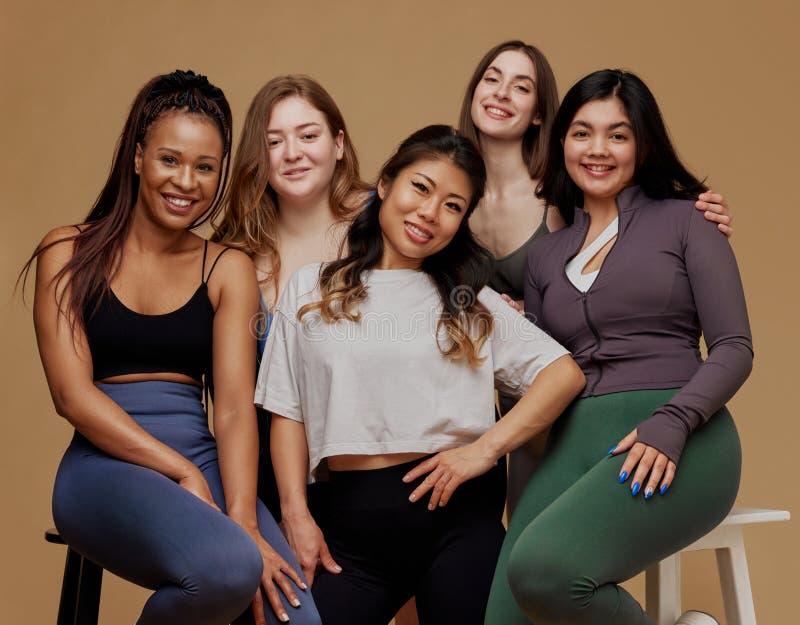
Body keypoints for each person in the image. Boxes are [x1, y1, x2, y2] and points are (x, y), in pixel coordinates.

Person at [256, 125, 586, 625]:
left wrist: (484, 450)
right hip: (349, 530)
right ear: (386, 183)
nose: (431, 214)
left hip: (458, 523)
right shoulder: (312, 288)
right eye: (422, 188)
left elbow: (563, 374)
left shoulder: (468, 301)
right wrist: (295, 514)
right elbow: (288, 411)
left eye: (453, 205)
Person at [25, 70, 320, 625]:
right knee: (229, 569)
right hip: (101, 463)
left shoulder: (225, 267)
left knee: (292, 615)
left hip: (204, 455)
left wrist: (245, 519)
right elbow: (71, 394)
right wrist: (180, 471)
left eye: (205, 168)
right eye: (170, 160)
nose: (186, 181)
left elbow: (232, 410)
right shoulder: (66, 250)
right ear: (137, 158)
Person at [484, 69, 752, 625]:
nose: (597, 149)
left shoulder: (688, 220)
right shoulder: (544, 256)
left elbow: (734, 347)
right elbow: (543, 383)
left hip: (681, 433)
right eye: (582, 133)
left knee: (545, 573)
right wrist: (524, 505)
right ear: (562, 142)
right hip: (573, 444)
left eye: (618, 134)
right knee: (509, 608)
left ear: (643, 144)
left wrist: (673, 422)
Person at [457, 40, 736, 513]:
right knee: (496, 555)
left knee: (543, 553)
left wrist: (696, 216)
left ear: (542, 114)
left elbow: (611, 273)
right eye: (492, 78)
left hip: (559, 400)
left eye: (521, 86)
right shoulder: (445, 186)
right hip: (474, 396)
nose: (502, 94)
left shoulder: (567, 196)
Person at [213, 75, 370, 517]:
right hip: (272, 480)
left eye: (308, 135)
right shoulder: (233, 256)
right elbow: (233, 402)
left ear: (339, 143)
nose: (293, 153)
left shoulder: (387, 223)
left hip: (377, 472)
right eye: (274, 142)